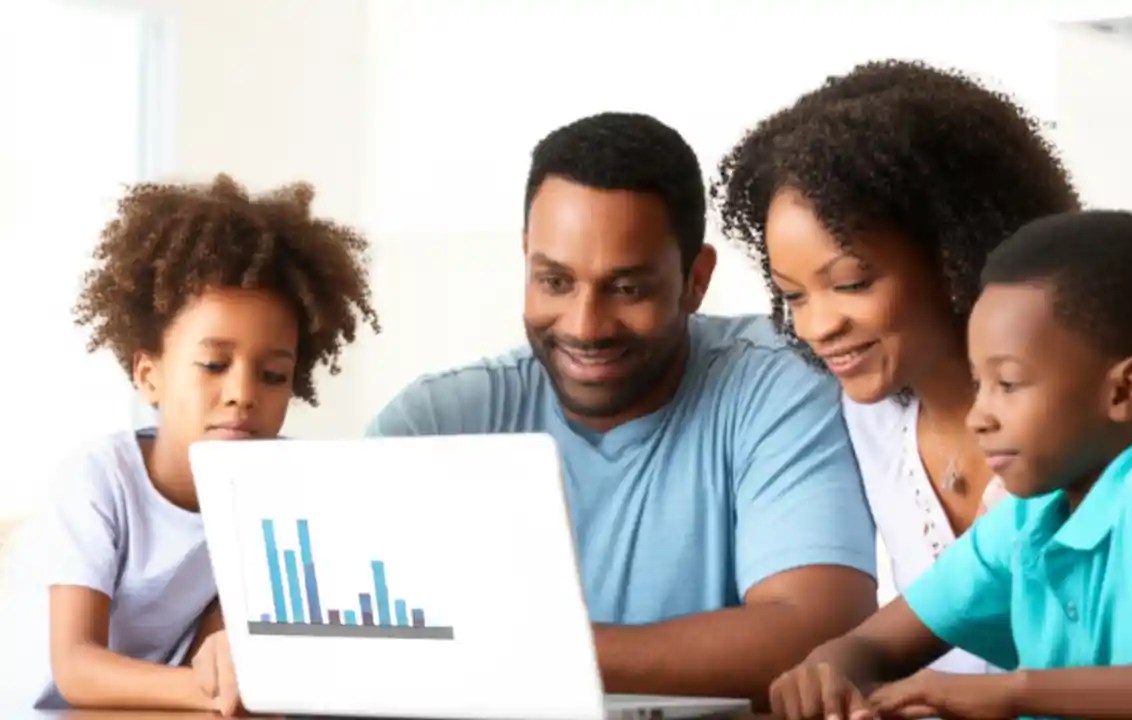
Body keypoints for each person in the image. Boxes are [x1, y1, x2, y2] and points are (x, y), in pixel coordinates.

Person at [367, 111, 878, 703]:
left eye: (627, 288)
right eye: (555, 282)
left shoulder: (778, 382)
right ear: (527, 259)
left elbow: (819, 634)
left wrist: (508, 651)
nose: (586, 327)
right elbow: (326, 637)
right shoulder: (429, 425)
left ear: (696, 279)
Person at [768, 209, 1132, 720]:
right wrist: (827, 677)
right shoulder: (1031, 517)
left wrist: (1015, 691)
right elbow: (872, 646)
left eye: (1008, 384)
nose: (978, 416)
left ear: (1125, 390)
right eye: (978, 383)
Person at [713, 60, 1080, 676]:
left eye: (851, 283)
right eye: (794, 295)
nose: (817, 326)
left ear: (958, 251)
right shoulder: (869, 415)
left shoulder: (1089, 422)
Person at [0, 175, 379, 714]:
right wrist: (213, 689)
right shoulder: (99, 479)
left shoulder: (279, 487)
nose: (242, 395)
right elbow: (75, 667)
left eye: (273, 375)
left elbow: (224, 648)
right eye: (213, 365)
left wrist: (231, 677)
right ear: (149, 375)